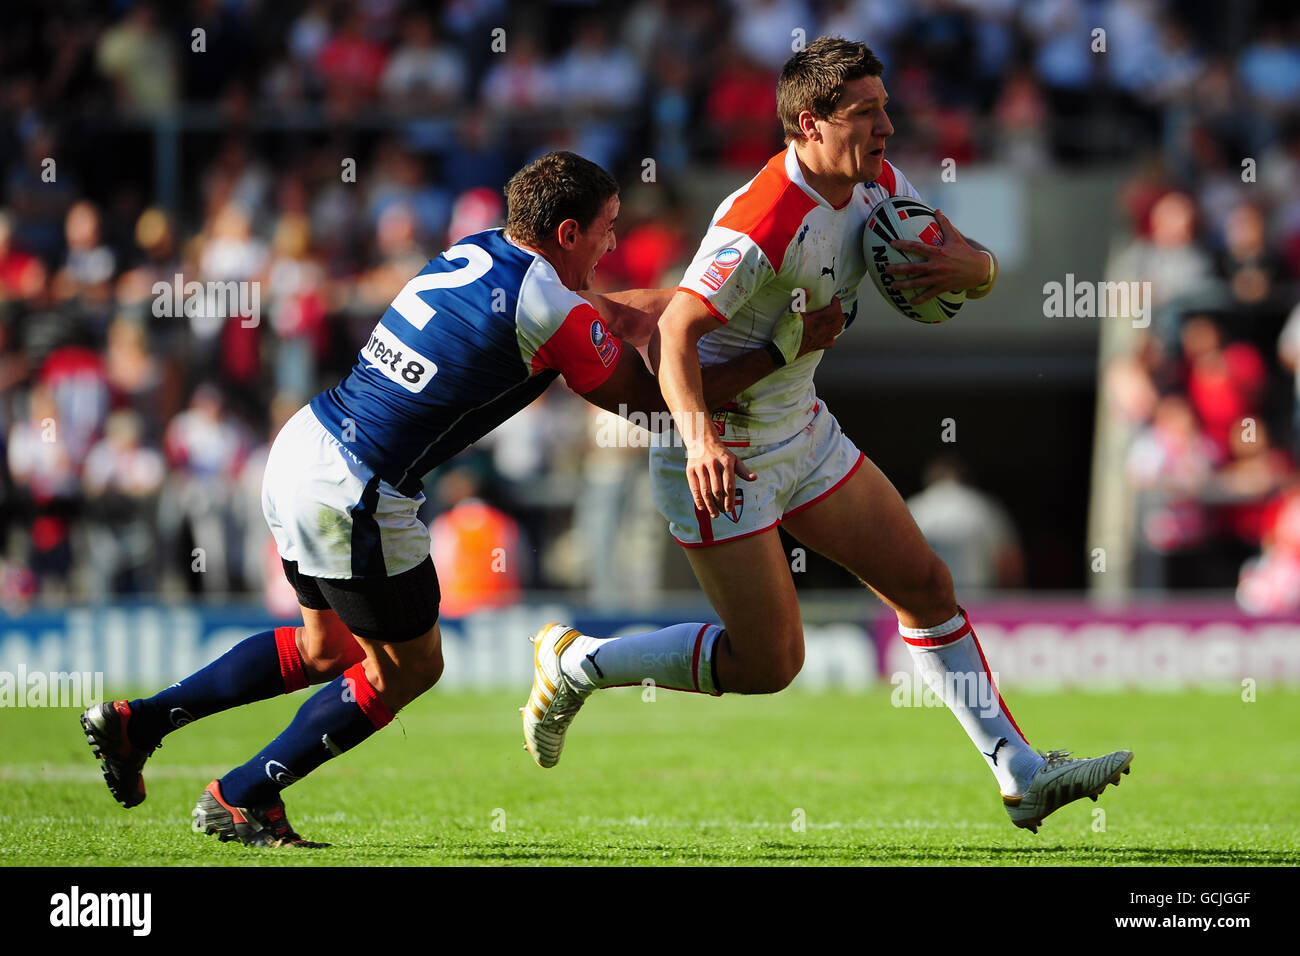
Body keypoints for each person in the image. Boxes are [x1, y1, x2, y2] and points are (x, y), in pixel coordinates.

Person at [81, 150, 844, 848]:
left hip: (305, 446)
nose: (613, 247)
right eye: (608, 232)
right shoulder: (547, 307)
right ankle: (243, 795)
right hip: (359, 490)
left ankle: (138, 722)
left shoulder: (482, 248)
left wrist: (703, 303)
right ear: (569, 230)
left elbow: (609, 313)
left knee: (325, 650)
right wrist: (783, 347)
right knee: (409, 669)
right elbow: (657, 401)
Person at [523, 38, 1132, 834]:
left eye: (887, 107)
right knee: (770, 665)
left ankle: (1018, 769)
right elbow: (676, 334)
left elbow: (963, 255)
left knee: (926, 586)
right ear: (809, 124)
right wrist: (702, 439)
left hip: (802, 430)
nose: (887, 126)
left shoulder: (877, 181)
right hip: (721, 449)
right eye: (867, 112)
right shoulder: (760, 220)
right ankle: (576, 662)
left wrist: (972, 272)